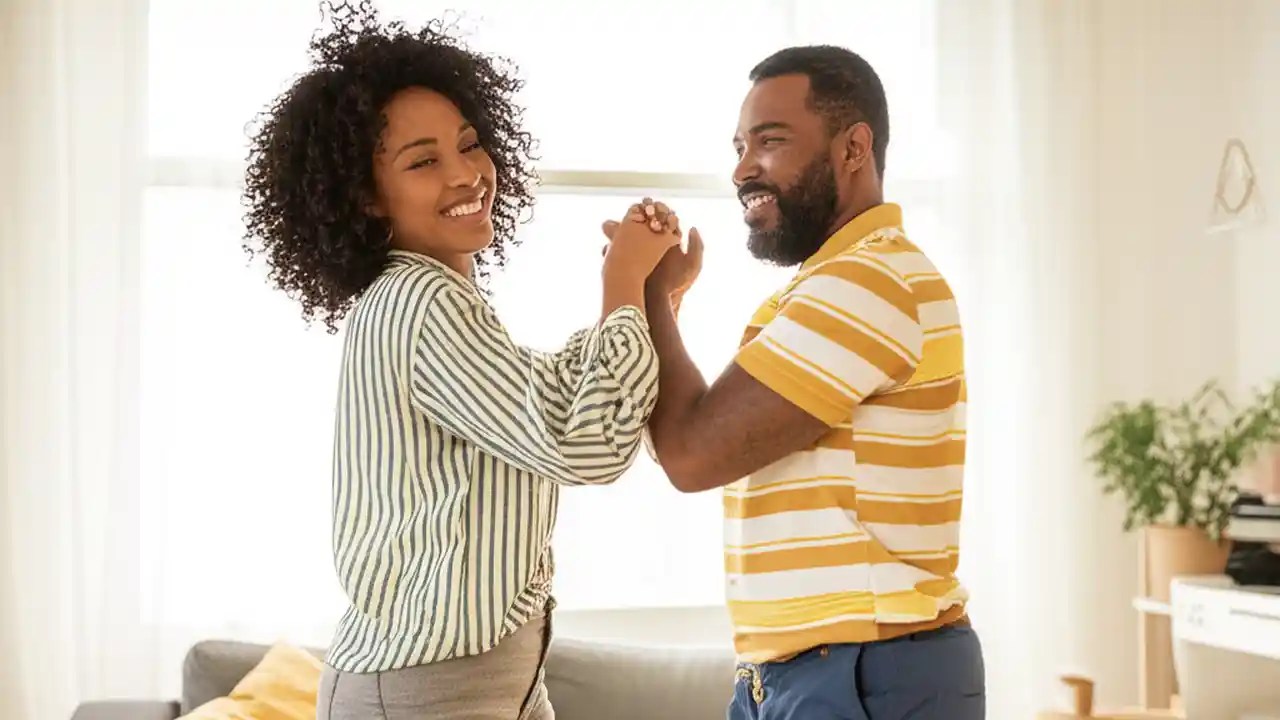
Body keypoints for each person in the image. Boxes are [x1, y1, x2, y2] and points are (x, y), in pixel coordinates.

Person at [240, 3, 684, 717]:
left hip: (494, 675)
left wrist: (648, 299)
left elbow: (555, 400)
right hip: (427, 689)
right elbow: (587, 446)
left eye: (469, 144)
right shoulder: (421, 306)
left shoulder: (433, 300)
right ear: (365, 197)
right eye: (423, 161)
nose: (466, 174)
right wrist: (623, 281)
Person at [635, 46, 986, 718]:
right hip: (813, 671)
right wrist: (664, 304)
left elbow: (690, 454)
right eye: (739, 146)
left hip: (862, 670)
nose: (742, 168)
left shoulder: (867, 281)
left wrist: (649, 295)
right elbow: (693, 444)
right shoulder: (834, 283)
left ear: (853, 148)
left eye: (770, 141)